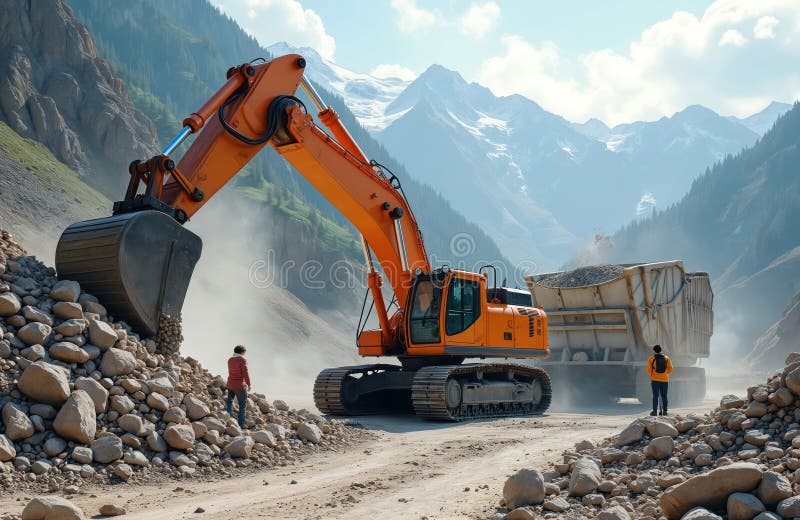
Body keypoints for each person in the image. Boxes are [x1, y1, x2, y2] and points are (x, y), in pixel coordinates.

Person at [226, 345, 251, 428]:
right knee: (242, 405)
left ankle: (225, 420)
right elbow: (245, 373)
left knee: (229, 402)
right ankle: (241, 423)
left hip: (230, 384)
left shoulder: (230, 359)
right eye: (244, 352)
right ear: (242, 352)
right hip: (240, 385)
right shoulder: (242, 359)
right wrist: (249, 384)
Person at [647, 344, 673, 416]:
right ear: (661, 350)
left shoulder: (651, 358)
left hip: (655, 380)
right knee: (664, 396)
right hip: (664, 380)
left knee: (655, 396)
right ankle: (665, 411)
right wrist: (665, 374)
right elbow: (671, 369)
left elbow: (648, 370)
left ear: (654, 350)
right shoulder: (666, 358)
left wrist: (653, 375)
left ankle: (654, 411)